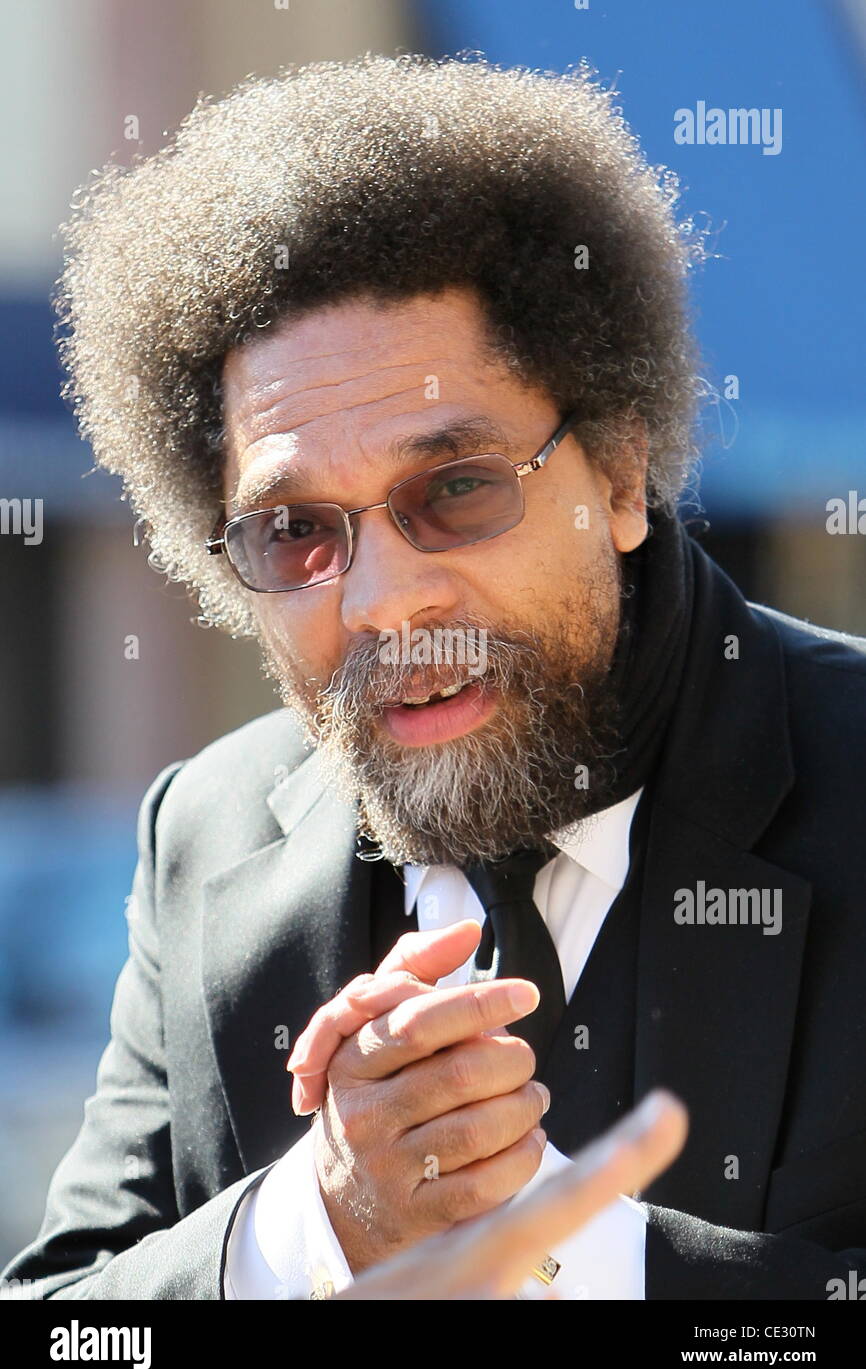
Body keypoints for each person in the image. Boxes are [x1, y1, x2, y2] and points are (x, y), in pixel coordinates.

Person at [3, 52, 865, 1301]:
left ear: (619, 474)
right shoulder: (206, 836)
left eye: (455, 489)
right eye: (294, 530)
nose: (381, 600)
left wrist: (565, 1250)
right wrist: (318, 1224)